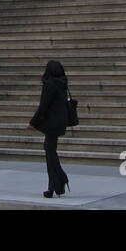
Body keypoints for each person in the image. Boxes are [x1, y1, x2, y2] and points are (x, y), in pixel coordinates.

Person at [28, 60, 71, 198]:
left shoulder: (50, 84)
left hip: (51, 123)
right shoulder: (63, 83)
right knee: (50, 151)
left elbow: (43, 106)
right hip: (60, 122)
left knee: (50, 153)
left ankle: (57, 182)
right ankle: (56, 184)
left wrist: (33, 122)